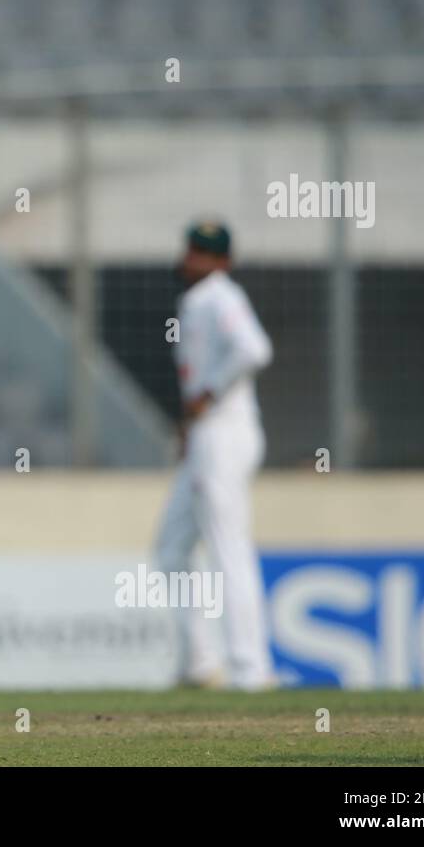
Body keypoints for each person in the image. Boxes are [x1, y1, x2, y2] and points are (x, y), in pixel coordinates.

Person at [154, 219, 276, 691]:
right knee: (170, 549)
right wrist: (191, 422)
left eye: (203, 253)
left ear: (222, 261)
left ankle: (250, 669)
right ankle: (198, 665)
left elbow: (255, 349)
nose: (192, 260)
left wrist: (208, 393)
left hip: (224, 434)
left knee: (228, 549)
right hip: (206, 434)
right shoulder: (196, 299)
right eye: (191, 250)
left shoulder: (222, 296)